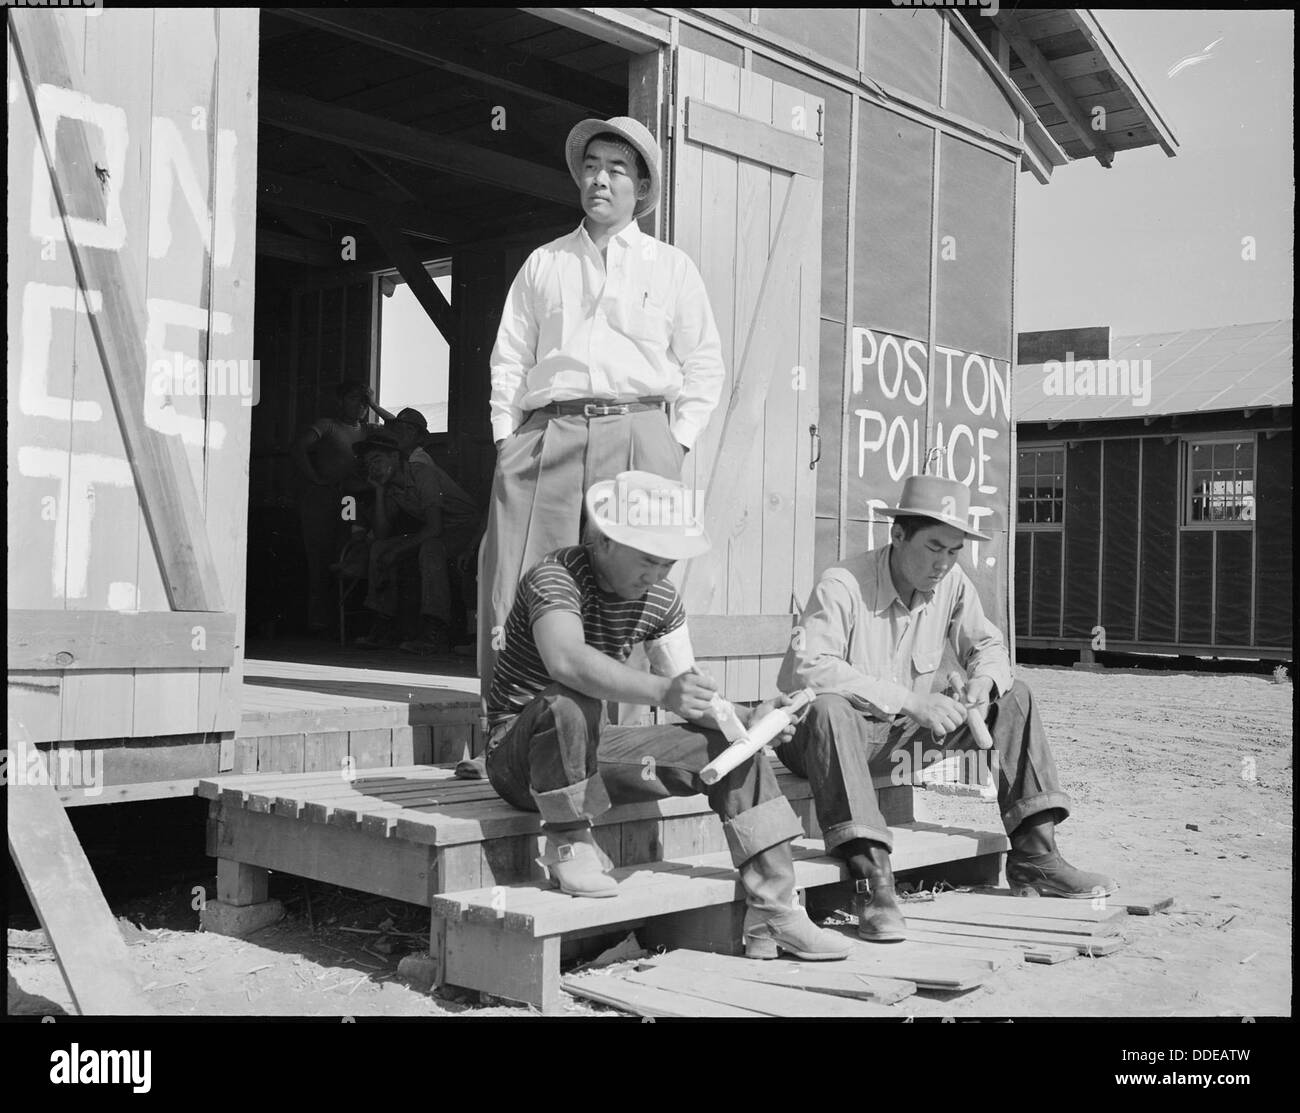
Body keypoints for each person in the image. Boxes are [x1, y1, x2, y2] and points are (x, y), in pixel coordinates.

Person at [484, 471, 851, 961]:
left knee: (732, 749)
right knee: (570, 700)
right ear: (604, 541)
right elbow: (566, 662)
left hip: (590, 753)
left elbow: (689, 693)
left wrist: (748, 716)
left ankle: (776, 910)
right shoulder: (555, 577)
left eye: (668, 563)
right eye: (648, 560)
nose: (657, 575)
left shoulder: (661, 599)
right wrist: (665, 691)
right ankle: (569, 843)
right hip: (518, 758)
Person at [775, 474, 1117, 942]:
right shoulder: (843, 583)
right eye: (934, 547)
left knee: (1014, 695)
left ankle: (1036, 856)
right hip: (819, 739)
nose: (944, 563)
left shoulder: (952, 582)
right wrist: (912, 701)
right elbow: (811, 671)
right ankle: (872, 884)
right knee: (831, 708)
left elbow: (990, 647)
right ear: (897, 535)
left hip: (894, 736)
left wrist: (984, 681)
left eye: (954, 551)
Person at [477, 115, 725, 710]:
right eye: (590, 168)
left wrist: (676, 444)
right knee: (521, 574)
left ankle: (622, 736)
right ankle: (504, 730)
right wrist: (508, 440)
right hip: (550, 433)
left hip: (640, 432)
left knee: (631, 582)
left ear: (641, 189)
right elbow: (509, 357)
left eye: (616, 170)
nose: (600, 180)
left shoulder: (672, 267)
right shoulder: (544, 263)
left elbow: (704, 365)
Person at [351, 428, 481, 654]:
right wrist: (380, 491)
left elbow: (434, 528)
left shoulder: (422, 473)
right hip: (442, 532)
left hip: (467, 529)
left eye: (376, 460)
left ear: (394, 456)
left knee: (431, 548)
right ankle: (384, 625)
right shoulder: (391, 486)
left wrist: (398, 551)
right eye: (368, 463)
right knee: (380, 548)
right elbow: (381, 535)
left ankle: (435, 630)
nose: (372, 467)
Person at [291, 380, 386, 635]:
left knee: (345, 553)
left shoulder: (368, 429)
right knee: (318, 559)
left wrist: (374, 405)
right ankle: (317, 623)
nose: (360, 406)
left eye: (365, 401)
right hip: (322, 498)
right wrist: (315, 478)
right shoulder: (328, 425)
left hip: (349, 500)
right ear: (341, 401)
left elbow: (399, 427)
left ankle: (338, 623)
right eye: (355, 399)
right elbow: (299, 447)